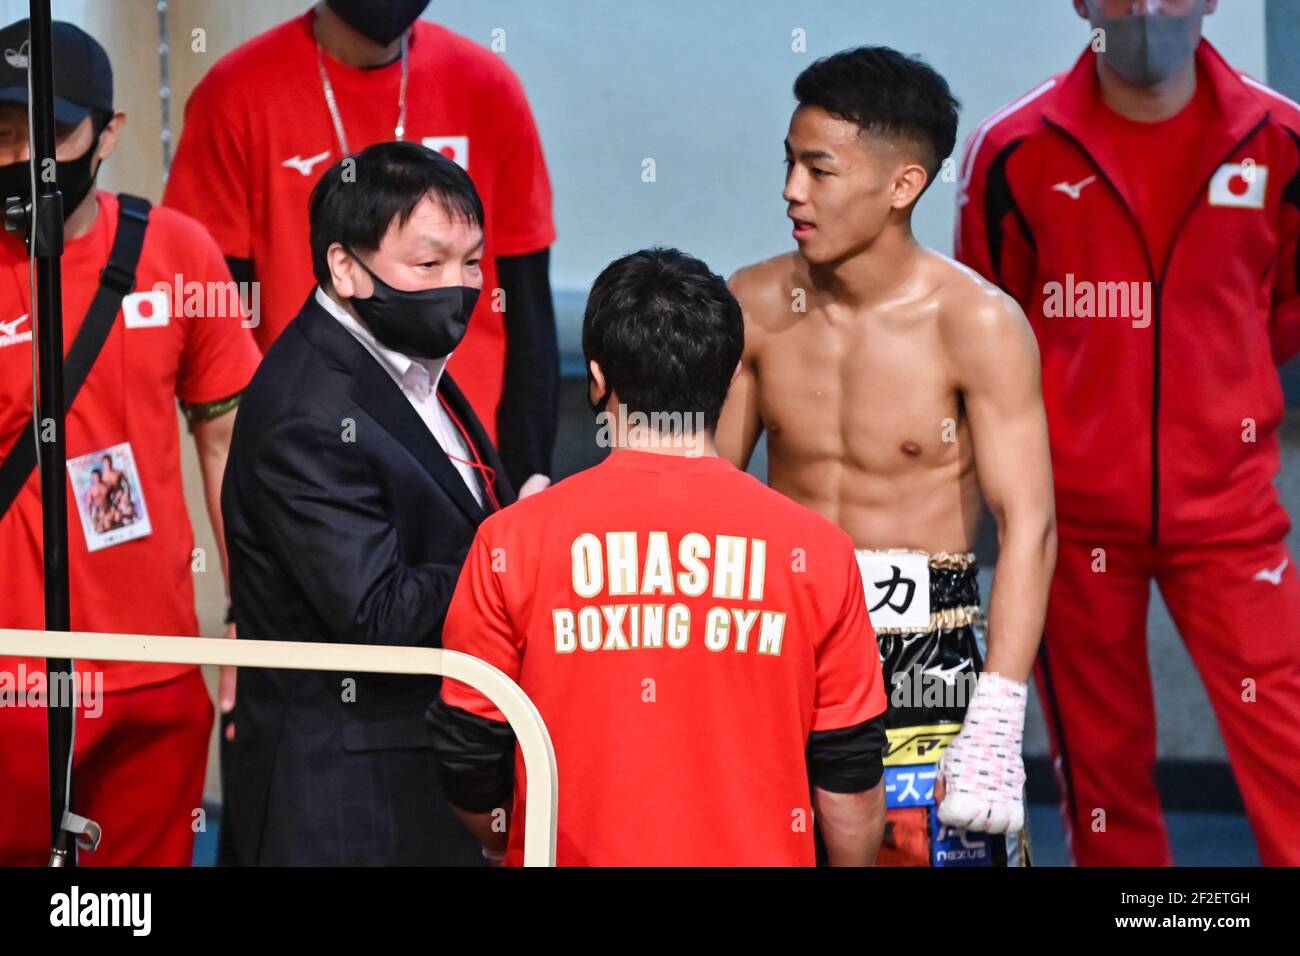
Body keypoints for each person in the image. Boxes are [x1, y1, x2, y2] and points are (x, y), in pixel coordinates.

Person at [957, 0, 1300, 866]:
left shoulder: (1280, 140)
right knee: (1102, 780)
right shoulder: (1017, 148)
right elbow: (988, 333)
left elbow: (1285, 309)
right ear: (1081, 5)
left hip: (1230, 518)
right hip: (1071, 527)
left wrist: (1219, 385)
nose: (1146, 10)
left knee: (1290, 747)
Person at [428, 247, 889, 866]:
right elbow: (848, 774)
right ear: (728, 379)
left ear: (597, 380)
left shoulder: (511, 543)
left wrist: (506, 842)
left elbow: (468, 752)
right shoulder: (820, 553)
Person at [715, 46, 1057, 867]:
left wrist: (999, 715)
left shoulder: (976, 323)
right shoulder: (753, 304)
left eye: (819, 170)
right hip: (780, 635)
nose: (792, 191)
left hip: (925, 643)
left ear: (903, 184)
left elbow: (1031, 526)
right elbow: (712, 496)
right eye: (790, 164)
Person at [0, 20, 260, 865]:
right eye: (3, 135)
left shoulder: (177, 250)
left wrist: (248, 620)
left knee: (127, 908)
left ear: (108, 132)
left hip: (154, 668)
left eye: (52, 134)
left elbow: (228, 446)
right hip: (11, 676)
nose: (25, 160)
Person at [221, 140, 517, 865]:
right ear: (345, 267)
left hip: (417, 770)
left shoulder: (401, 362)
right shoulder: (309, 412)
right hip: (347, 798)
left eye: (472, 262)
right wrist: (516, 553)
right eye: (429, 264)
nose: (459, 284)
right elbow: (376, 613)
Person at [164, 0, 558, 493]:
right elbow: (216, 323)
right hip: (312, 451)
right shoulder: (236, 93)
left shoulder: (487, 86)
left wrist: (529, 473)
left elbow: (528, 310)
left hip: (468, 450)